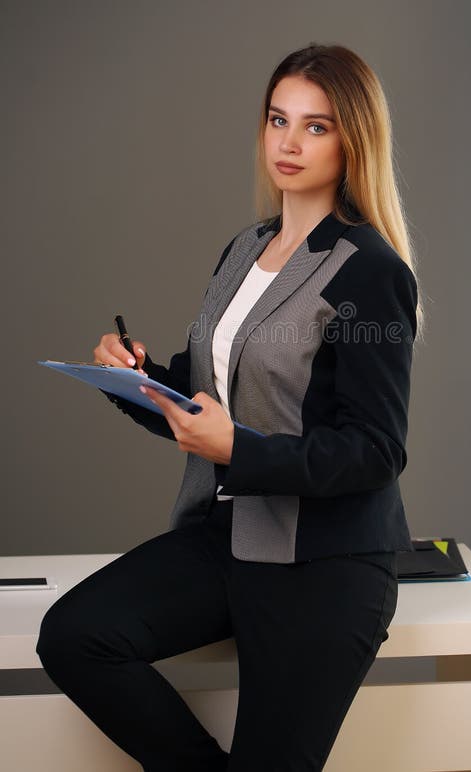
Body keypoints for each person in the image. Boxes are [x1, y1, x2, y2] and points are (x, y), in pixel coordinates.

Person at [36, 43, 421, 771]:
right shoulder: (244, 250)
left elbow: (374, 450)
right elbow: (208, 398)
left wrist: (238, 450)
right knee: (74, 636)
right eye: (279, 119)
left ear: (353, 139)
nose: (289, 141)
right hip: (229, 536)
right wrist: (140, 375)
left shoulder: (371, 275)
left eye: (317, 126)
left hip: (325, 563)